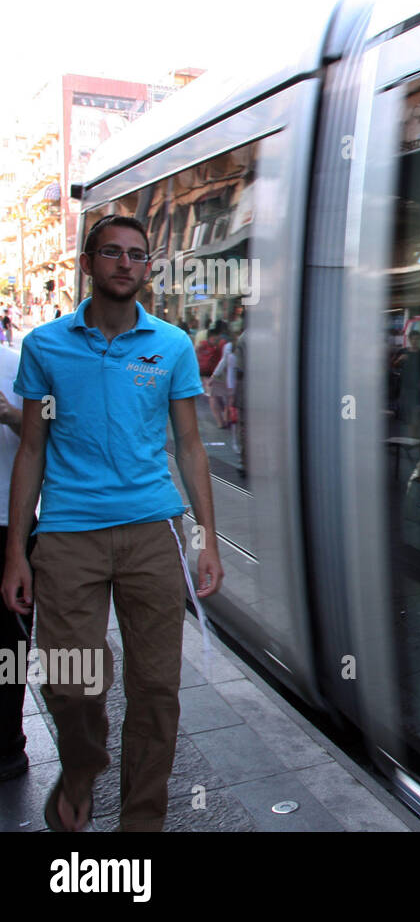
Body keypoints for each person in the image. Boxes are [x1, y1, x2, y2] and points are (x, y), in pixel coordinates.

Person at [2, 214, 223, 832]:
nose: (126, 264)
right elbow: (31, 450)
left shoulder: (172, 346)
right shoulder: (45, 346)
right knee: (73, 684)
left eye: (137, 255)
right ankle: (80, 770)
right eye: (112, 253)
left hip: (154, 533)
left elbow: (190, 447)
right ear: (87, 262)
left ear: (146, 267)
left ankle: (141, 825)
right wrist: (16, 552)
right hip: (69, 536)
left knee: (156, 690)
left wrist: (204, 541)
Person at [0, 340, 33, 782]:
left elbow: (51, 430)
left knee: (9, 646)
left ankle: (8, 742)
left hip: (9, 528)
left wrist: (10, 415)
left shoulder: (19, 363)